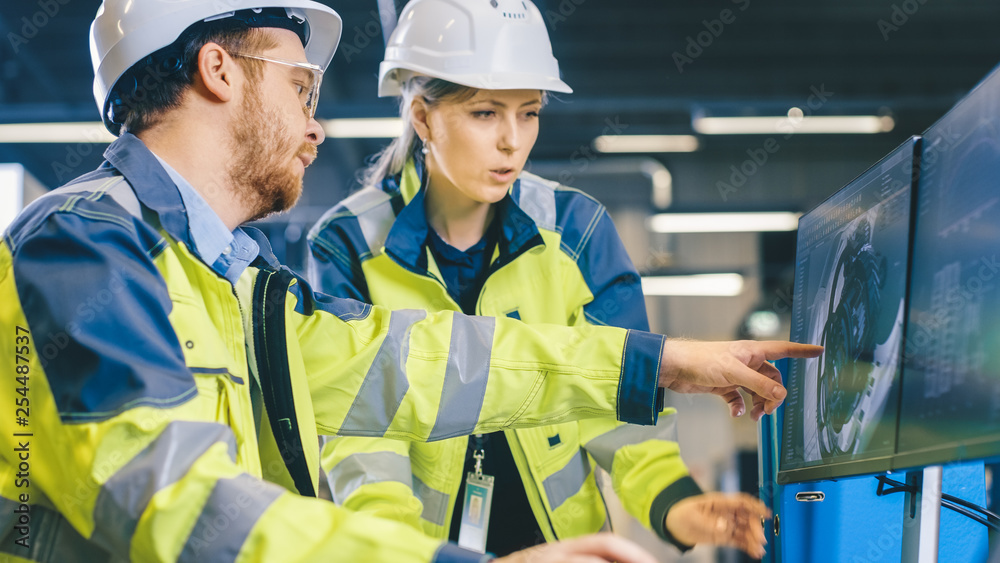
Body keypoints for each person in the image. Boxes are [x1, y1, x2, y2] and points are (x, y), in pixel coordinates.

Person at [0, 1, 820, 562]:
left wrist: (661, 361)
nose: (316, 124)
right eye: (300, 87)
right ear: (218, 68)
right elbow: (182, 507)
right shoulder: (80, 247)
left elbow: (415, 362)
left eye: (528, 112)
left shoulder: (232, 281)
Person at [307, 0, 775, 559]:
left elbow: (617, 402)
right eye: (486, 113)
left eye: (528, 112)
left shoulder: (578, 230)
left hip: (565, 549)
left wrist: (676, 503)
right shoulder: (347, 245)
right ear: (423, 117)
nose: (513, 141)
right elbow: (361, 434)